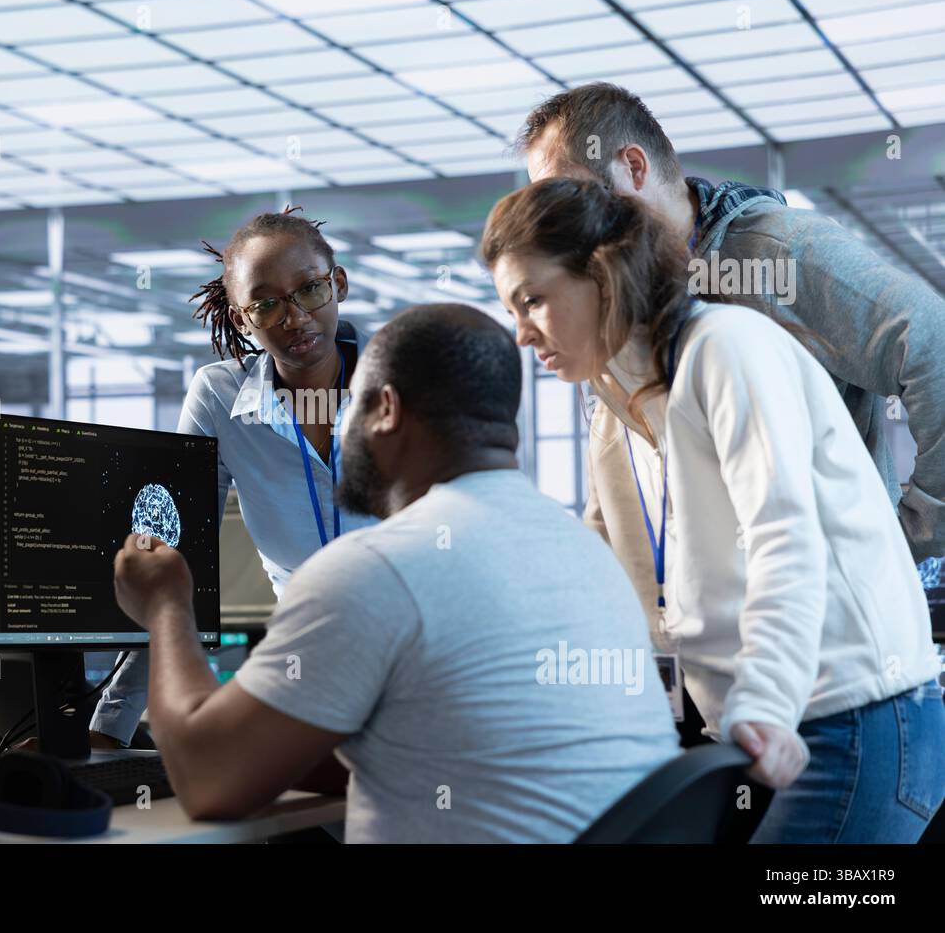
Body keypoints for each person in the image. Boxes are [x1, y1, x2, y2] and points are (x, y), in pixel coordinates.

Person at [481, 176, 945, 842]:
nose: (522, 334)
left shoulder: (725, 347)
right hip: (762, 727)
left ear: (603, 276)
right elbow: (604, 573)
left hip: (851, 711)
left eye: (533, 301)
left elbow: (785, 536)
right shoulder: (615, 405)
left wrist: (763, 702)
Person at [109, 303, 680, 843]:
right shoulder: (586, 555)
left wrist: (166, 607)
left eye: (349, 403)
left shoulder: (375, 571)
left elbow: (210, 780)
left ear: (385, 410)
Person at [515, 83, 945, 625]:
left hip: (832, 641)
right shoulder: (617, 300)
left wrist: (916, 528)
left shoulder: (774, 255)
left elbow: (934, 341)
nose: (557, 224)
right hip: (712, 653)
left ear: (632, 167)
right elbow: (621, 486)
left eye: (565, 196)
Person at [88, 206, 375, 749]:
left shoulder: (402, 378)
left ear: (338, 283)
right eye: (265, 305)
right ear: (243, 319)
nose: (293, 319)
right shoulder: (220, 397)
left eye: (310, 290)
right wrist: (111, 729)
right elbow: (177, 554)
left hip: (413, 662)